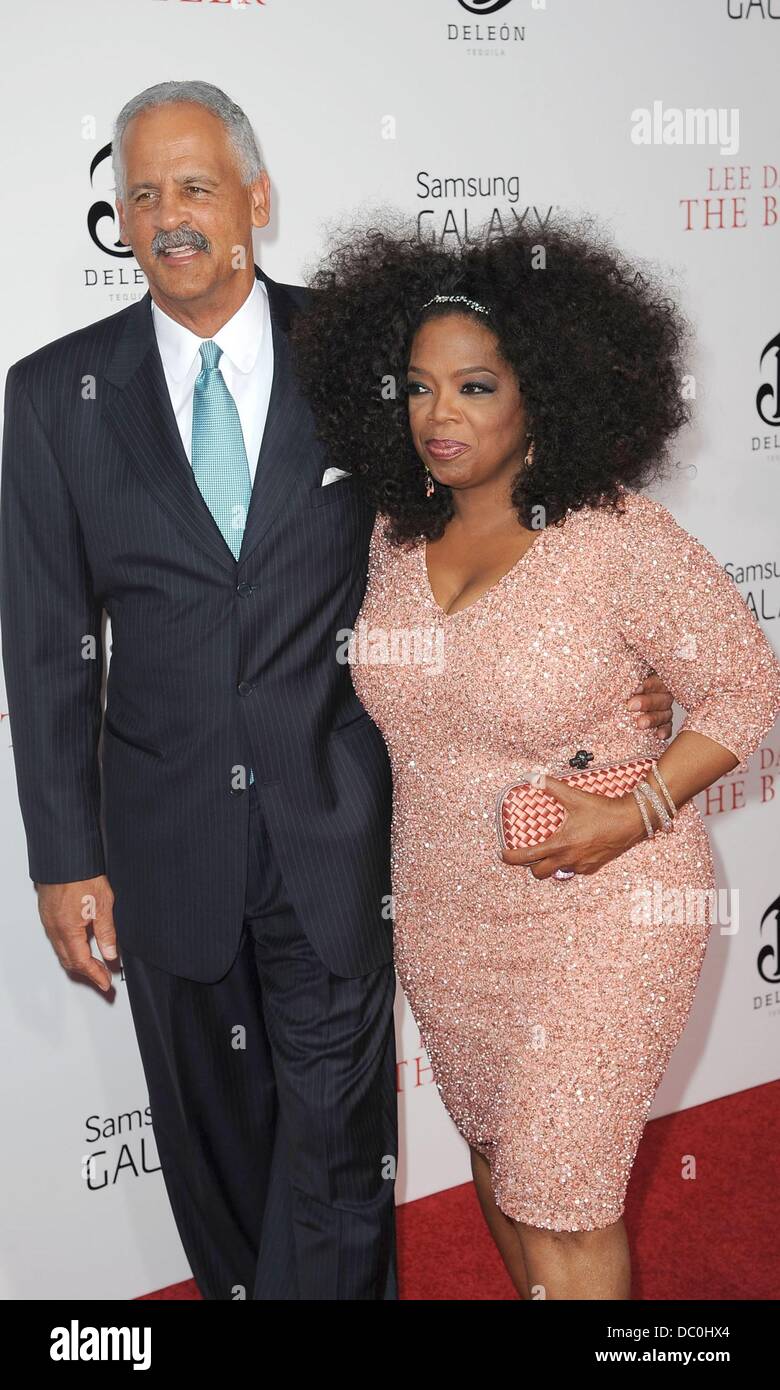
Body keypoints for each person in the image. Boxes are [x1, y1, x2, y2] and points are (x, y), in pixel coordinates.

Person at [0, 83, 671, 1302]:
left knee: (336, 1168)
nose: (169, 216)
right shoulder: (53, 398)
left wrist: (599, 706)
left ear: (257, 198)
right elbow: (45, 644)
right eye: (141, 193)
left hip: (339, 832)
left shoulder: (371, 363)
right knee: (216, 1164)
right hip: (163, 847)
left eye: (196, 186)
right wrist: (62, 855)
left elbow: (501, 519)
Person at [288, 216, 780, 1300]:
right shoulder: (393, 535)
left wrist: (638, 805)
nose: (439, 417)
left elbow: (752, 685)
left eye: (474, 386)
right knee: (506, 1171)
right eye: (417, 388)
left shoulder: (614, 536)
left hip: (606, 904)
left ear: (542, 389)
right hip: (445, 913)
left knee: (562, 1192)